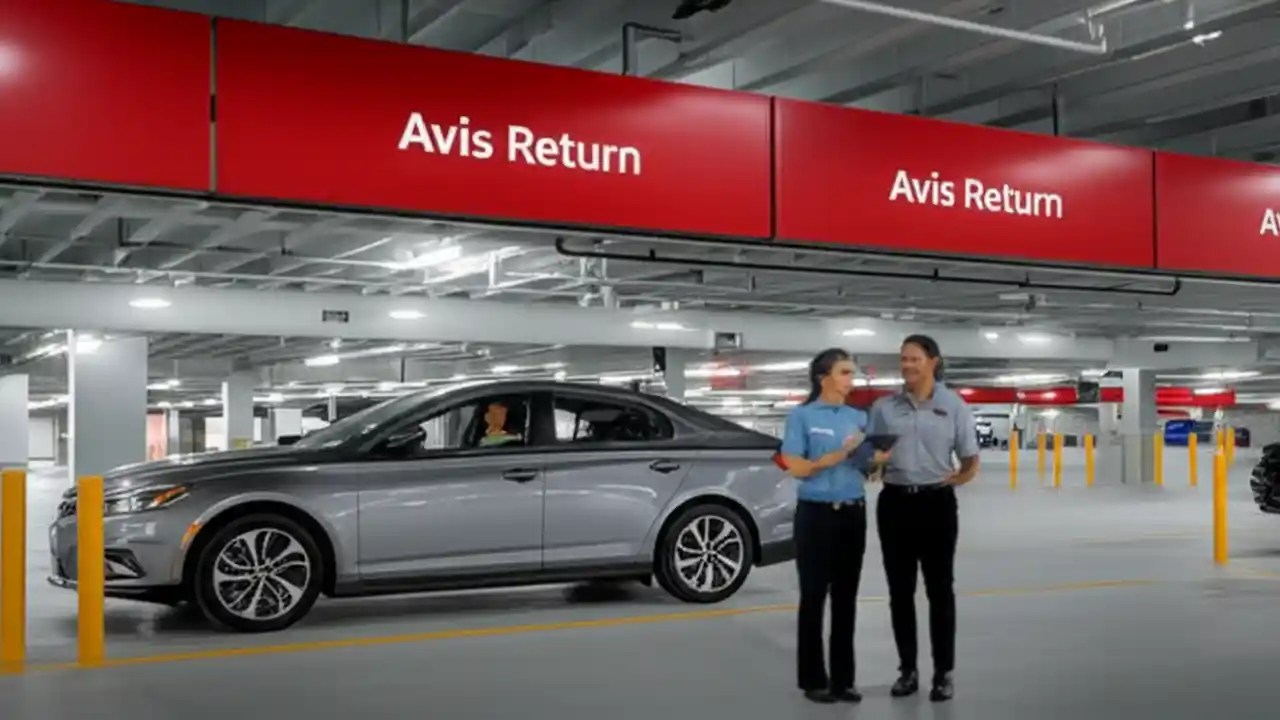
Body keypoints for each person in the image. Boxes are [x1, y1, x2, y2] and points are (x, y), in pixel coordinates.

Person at [867, 334, 980, 703]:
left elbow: (969, 459)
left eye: (914, 359)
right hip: (895, 504)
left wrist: (954, 481)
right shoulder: (885, 407)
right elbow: (870, 459)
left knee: (939, 591)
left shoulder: (954, 406)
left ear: (933, 361)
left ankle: (943, 673)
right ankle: (908, 671)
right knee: (900, 592)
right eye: (903, 359)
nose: (907, 365)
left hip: (936, 506)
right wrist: (870, 461)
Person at [778, 348, 890, 704]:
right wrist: (838, 455)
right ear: (823, 377)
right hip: (816, 515)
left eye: (851, 373)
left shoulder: (858, 418)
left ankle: (844, 679)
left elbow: (869, 467)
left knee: (846, 599)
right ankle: (813, 679)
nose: (850, 380)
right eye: (844, 373)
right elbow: (793, 465)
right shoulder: (802, 417)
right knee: (813, 598)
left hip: (852, 514)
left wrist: (876, 461)